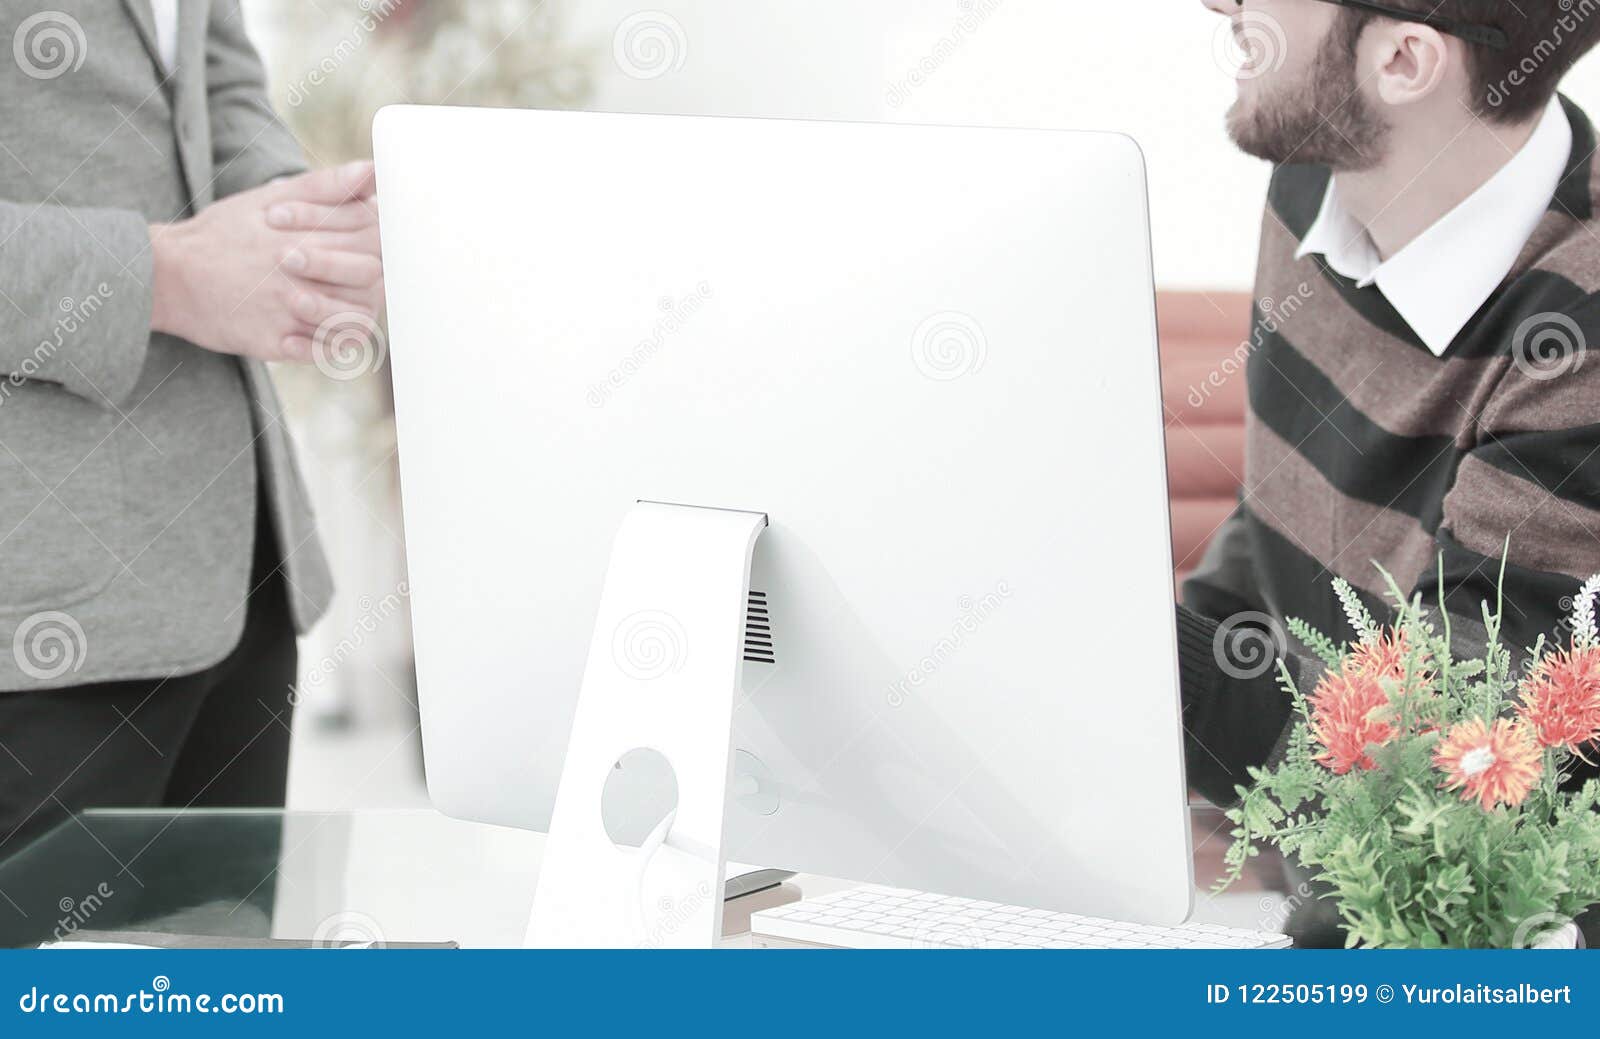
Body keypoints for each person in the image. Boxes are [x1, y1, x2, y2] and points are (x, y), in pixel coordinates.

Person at [1181, 0, 1600, 804]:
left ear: (1404, 62)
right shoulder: (1324, 165)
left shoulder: (1579, 339)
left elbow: (1441, 763)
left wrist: (1136, 659)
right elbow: (1285, 506)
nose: (1220, 5)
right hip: (1294, 859)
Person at [0, 1, 382, 853]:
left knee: (225, 984)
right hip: (36, 619)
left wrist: (299, 229)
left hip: (235, 565)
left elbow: (213, 69)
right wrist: (164, 274)